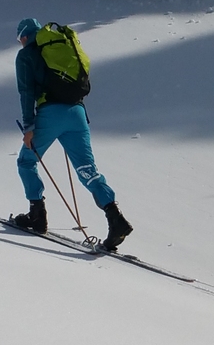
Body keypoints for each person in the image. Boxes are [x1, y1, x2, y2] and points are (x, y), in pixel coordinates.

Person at [8, 18, 133, 251]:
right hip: (77, 113)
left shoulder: (26, 55)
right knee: (88, 171)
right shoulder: (59, 49)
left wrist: (28, 127)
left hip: (50, 113)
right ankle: (115, 218)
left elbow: (25, 91)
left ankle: (37, 213)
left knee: (26, 162)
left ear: (24, 37)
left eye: (19, 39)